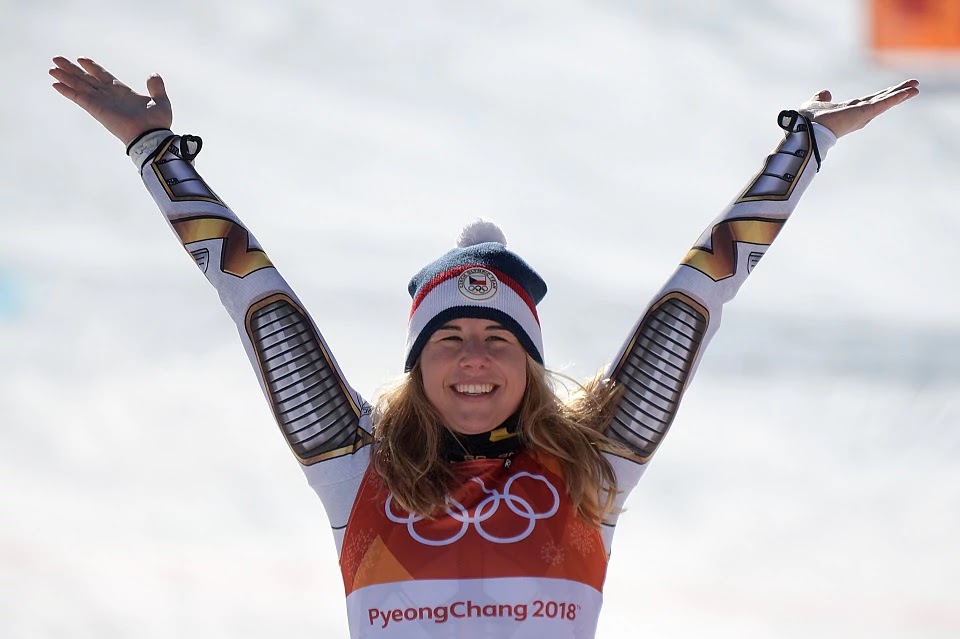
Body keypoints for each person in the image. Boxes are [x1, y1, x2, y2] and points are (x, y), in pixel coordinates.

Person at [49, 56, 918, 638]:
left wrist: (804, 145)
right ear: (417, 363)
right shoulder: (356, 468)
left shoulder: (593, 469)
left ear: (530, 362)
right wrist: (153, 150)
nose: (473, 356)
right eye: (450, 338)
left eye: (498, 337)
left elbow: (697, 297)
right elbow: (258, 304)